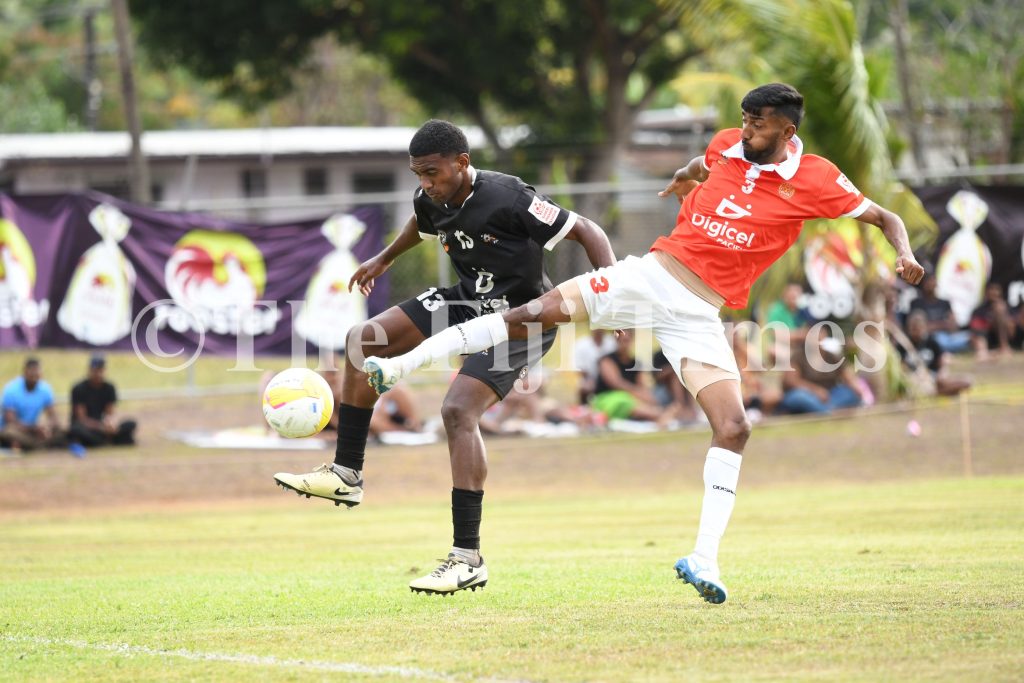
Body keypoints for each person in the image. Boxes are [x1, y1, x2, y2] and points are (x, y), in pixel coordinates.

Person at [362, 84, 925, 604]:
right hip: (652, 274)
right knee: (532, 312)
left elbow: (885, 215)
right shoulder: (730, 144)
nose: (747, 131)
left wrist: (905, 254)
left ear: (787, 132)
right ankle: (405, 363)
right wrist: (686, 178)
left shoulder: (819, 178)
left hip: (699, 312)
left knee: (735, 426)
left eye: (759, 125)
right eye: (745, 120)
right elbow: (705, 162)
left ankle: (705, 559)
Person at [273, 120, 615, 595]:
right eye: (418, 174)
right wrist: (384, 258)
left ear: (462, 162)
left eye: (432, 172)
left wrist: (612, 291)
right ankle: (347, 473)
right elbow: (421, 223)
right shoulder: (429, 197)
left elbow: (588, 230)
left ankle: (467, 557)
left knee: (457, 411)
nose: (426, 184)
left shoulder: (509, 196)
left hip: (523, 320)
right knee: (361, 340)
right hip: (464, 299)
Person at [777, 325, 865, 414]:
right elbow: (791, 381)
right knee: (799, 398)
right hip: (805, 394)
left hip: (829, 395)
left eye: (820, 336)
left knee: (848, 393)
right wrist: (815, 390)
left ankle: (825, 409)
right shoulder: (797, 356)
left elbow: (847, 376)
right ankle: (826, 411)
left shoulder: (831, 356)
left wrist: (857, 388)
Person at [68, 355, 137, 448]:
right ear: (89, 370)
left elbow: (110, 413)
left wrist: (110, 424)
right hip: (87, 427)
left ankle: (104, 439)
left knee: (131, 423)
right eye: (95, 370)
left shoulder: (109, 388)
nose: (98, 374)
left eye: (101, 370)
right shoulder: (79, 389)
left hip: (102, 426)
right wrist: (101, 427)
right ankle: (109, 439)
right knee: (76, 429)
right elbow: (82, 419)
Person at [0, 358, 63, 453]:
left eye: (37, 373)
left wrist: (47, 428)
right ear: (25, 372)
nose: (34, 376)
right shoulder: (11, 389)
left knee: (61, 429)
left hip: (33, 432)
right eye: (32, 373)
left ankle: (32, 445)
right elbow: (11, 421)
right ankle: (42, 445)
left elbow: (53, 417)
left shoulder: (45, 389)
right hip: (17, 430)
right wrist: (34, 429)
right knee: (9, 432)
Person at [910, 274, 970, 354]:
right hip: (931, 337)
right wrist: (942, 324)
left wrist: (936, 325)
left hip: (949, 336)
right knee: (939, 341)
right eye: (928, 282)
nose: (930, 284)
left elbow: (953, 324)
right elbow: (919, 327)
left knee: (970, 336)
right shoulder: (917, 303)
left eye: (932, 281)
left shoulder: (945, 303)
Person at [969, 282, 1020, 361]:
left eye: (996, 290)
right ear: (986, 292)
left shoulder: (1007, 307)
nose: (994, 292)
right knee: (977, 336)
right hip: (987, 337)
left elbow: (1014, 325)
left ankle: (1004, 347)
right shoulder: (980, 310)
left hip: (1009, 336)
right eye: (991, 289)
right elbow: (976, 328)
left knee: (1000, 309)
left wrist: (1002, 318)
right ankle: (986, 352)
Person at [573, 329, 617, 404]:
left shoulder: (613, 342)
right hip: (590, 380)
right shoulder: (581, 344)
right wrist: (591, 381)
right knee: (584, 387)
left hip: (610, 379)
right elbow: (580, 369)